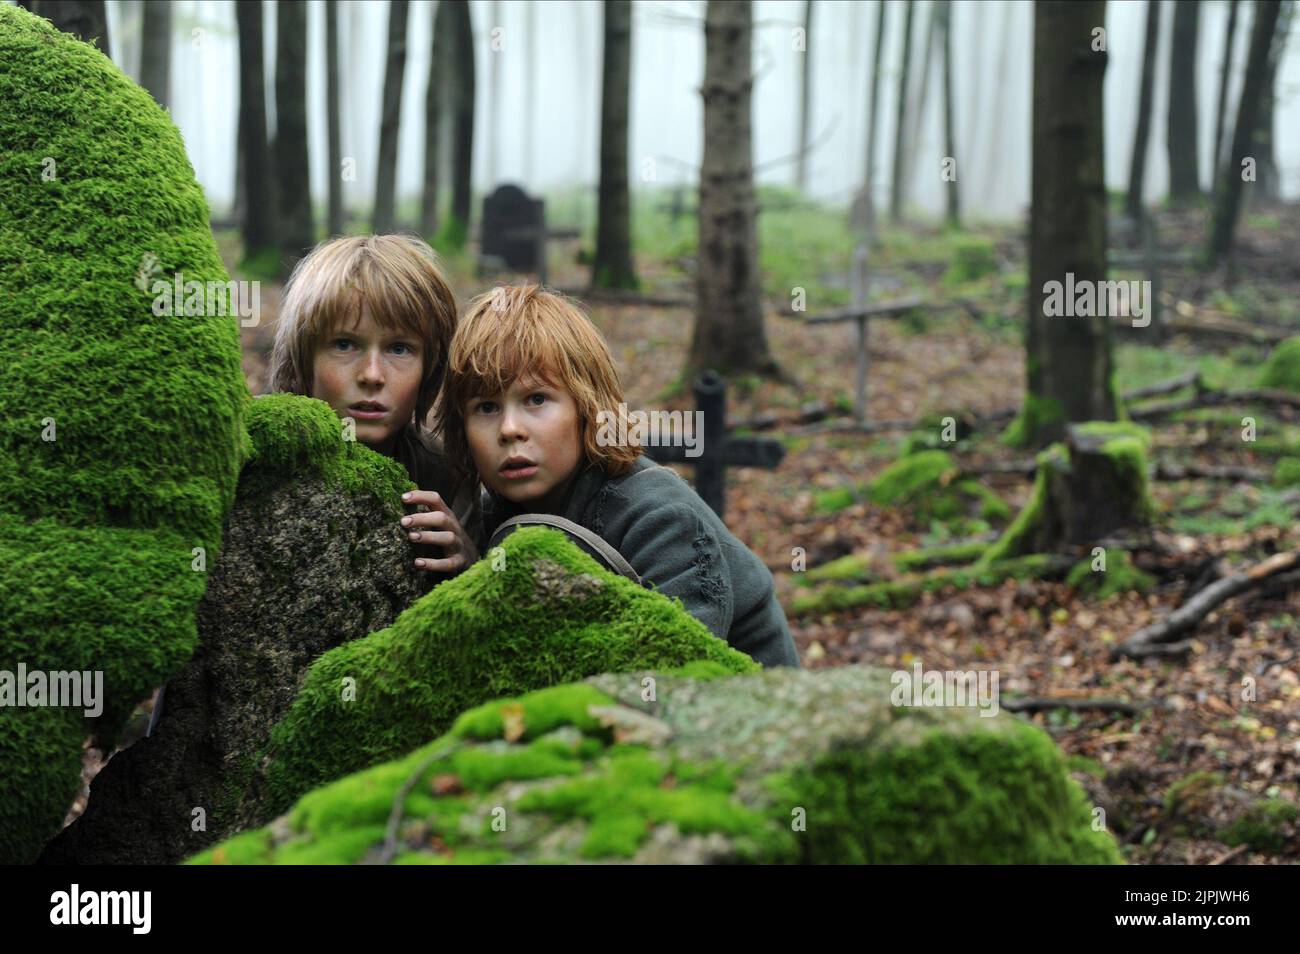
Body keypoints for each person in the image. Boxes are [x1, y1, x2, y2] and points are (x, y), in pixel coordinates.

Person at [435, 284, 800, 668]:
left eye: (536, 399)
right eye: (487, 407)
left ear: (587, 407)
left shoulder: (660, 519)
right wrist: (472, 574)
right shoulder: (492, 514)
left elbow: (679, 674)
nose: (510, 429)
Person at [265, 234, 481, 580]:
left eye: (399, 349)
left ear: (430, 367)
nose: (372, 375)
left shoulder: (446, 477)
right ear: (303, 358)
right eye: (345, 344)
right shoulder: (253, 456)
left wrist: (469, 564)